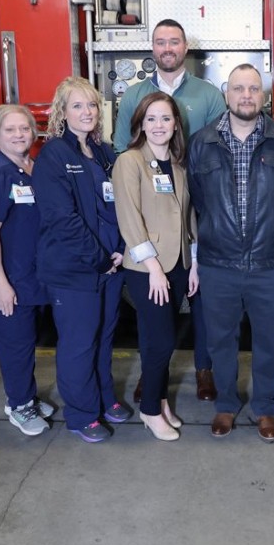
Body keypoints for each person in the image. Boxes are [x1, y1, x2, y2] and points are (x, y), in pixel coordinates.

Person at [187, 63, 274, 441]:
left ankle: (266, 408)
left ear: (264, 95)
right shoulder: (201, 141)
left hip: (269, 263)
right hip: (218, 262)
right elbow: (198, 200)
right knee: (220, 340)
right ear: (227, 94)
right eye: (238, 88)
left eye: (254, 88)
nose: (246, 95)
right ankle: (226, 404)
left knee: (269, 341)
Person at [113, 19, 225, 403]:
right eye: (160, 42)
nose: (167, 48)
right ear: (152, 47)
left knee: (204, 299)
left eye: (174, 41)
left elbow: (220, 150)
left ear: (185, 46)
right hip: (153, 222)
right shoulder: (134, 96)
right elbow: (121, 151)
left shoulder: (208, 95)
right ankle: (153, 374)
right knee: (156, 317)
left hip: (199, 209)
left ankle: (204, 369)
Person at [34, 76, 130, 443]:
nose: (86, 111)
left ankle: (105, 400)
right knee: (79, 343)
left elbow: (120, 203)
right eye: (77, 105)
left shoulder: (103, 152)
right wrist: (99, 258)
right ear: (62, 112)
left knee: (104, 339)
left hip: (110, 265)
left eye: (91, 105)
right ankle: (81, 414)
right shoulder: (55, 155)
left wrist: (120, 247)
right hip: (76, 270)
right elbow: (62, 218)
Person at [112, 92, 198, 441]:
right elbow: (129, 219)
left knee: (162, 339)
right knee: (158, 342)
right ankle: (149, 410)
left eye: (165, 118)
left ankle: (160, 401)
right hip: (148, 269)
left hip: (178, 263)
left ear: (175, 123)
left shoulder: (178, 165)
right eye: (151, 119)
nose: (159, 125)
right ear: (140, 124)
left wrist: (195, 264)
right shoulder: (129, 161)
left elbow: (188, 216)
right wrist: (154, 268)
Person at [0, 104, 55, 437]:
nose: (20, 135)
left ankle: (28, 396)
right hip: (9, 279)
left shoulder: (32, 167)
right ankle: (19, 404)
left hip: (32, 276)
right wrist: (1, 284)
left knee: (27, 340)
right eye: (10, 130)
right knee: (16, 346)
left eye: (25, 128)